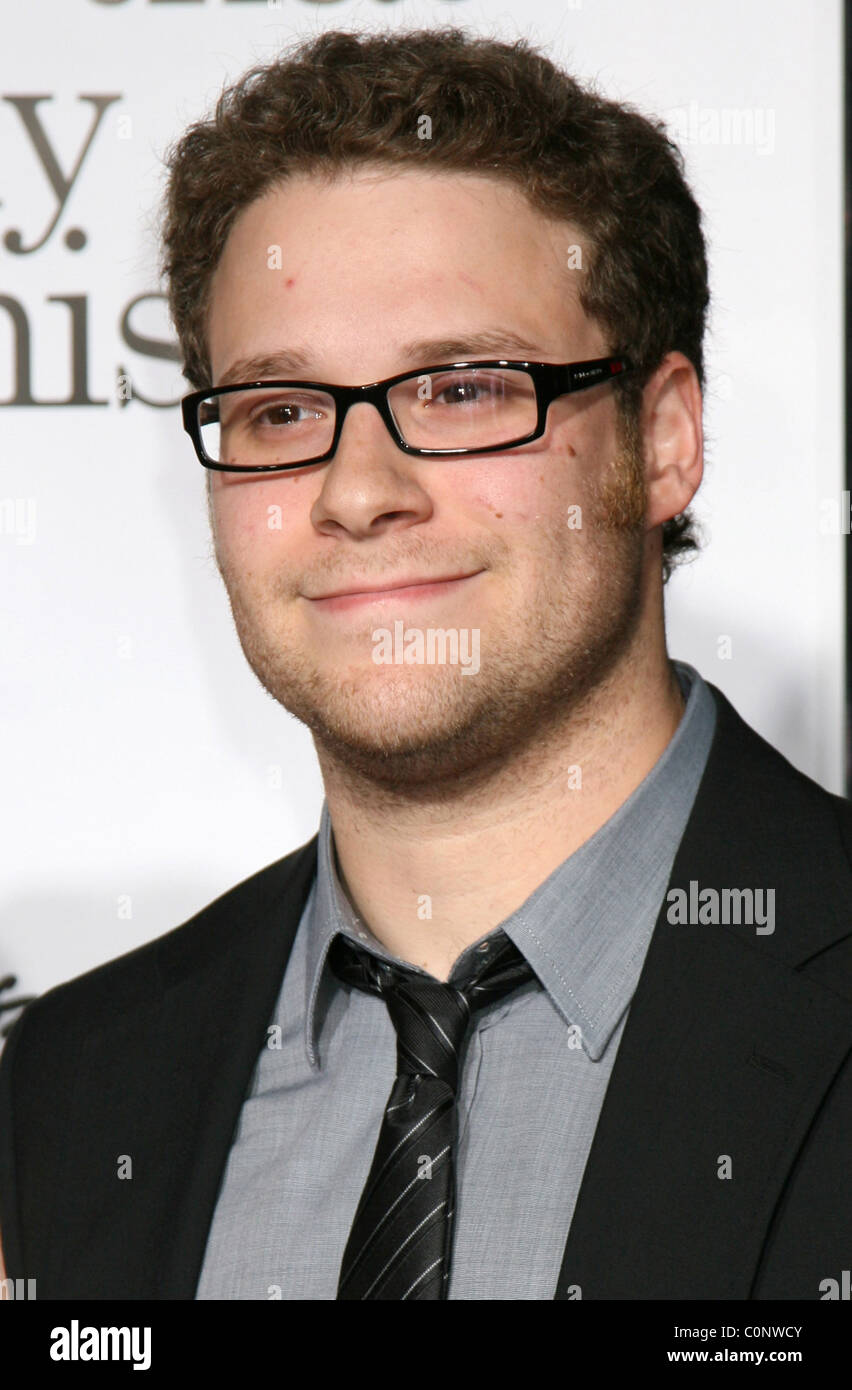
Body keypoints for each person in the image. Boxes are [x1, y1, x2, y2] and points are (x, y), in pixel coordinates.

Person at [1, 26, 850, 1302]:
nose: (357, 489)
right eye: (280, 412)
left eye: (461, 389)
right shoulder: (71, 1086)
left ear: (663, 441)